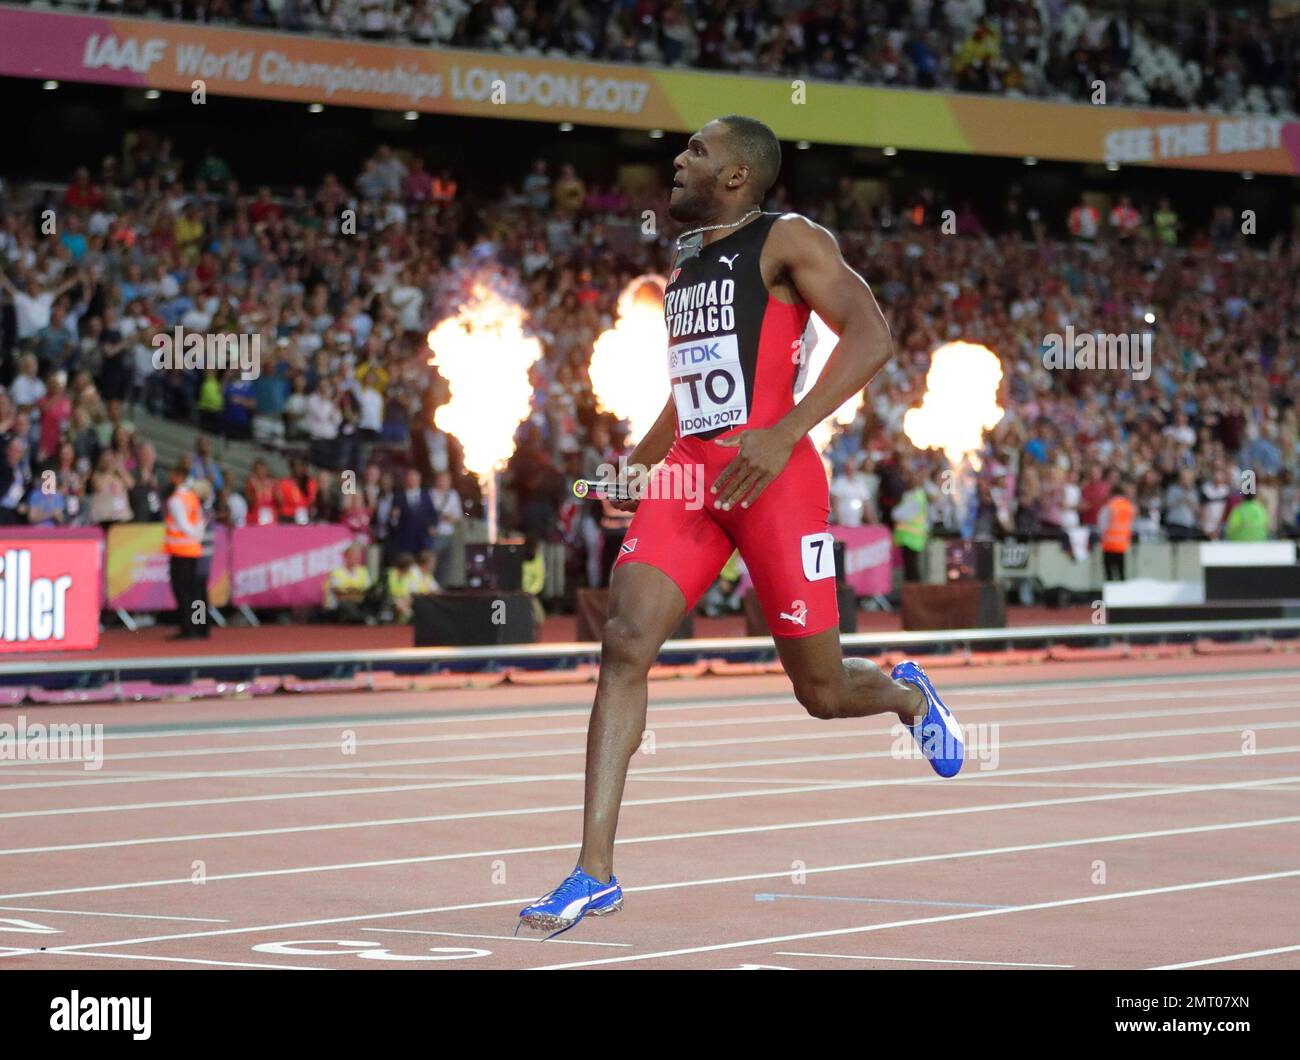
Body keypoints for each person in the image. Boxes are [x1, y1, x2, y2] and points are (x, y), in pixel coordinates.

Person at [517, 116, 964, 938]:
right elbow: (691, 391)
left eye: (696, 150)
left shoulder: (789, 238)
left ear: (737, 174)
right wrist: (639, 460)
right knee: (624, 643)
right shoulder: (686, 260)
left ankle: (905, 694)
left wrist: (788, 429)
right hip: (691, 470)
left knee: (822, 694)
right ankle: (593, 872)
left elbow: (872, 335)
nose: (677, 160)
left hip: (773, 475)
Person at [165, 467, 210, 640]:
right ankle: (201, 627)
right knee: (196, 591)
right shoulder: (192, 498)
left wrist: (193, 535)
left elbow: (184, 525)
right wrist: (197, 537)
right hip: (194, 550)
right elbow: (199, 522)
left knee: (184, 593)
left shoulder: (177, 499)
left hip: (180, 551)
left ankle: (189, 628)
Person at [1099, 476, 1136, 581]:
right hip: (1122, 544)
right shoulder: (1128, 505)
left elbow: (1102, 523)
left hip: (1109, 544)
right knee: (1121, 573)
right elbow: (1131, 523)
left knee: (1109, 574)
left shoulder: (1109, 505)